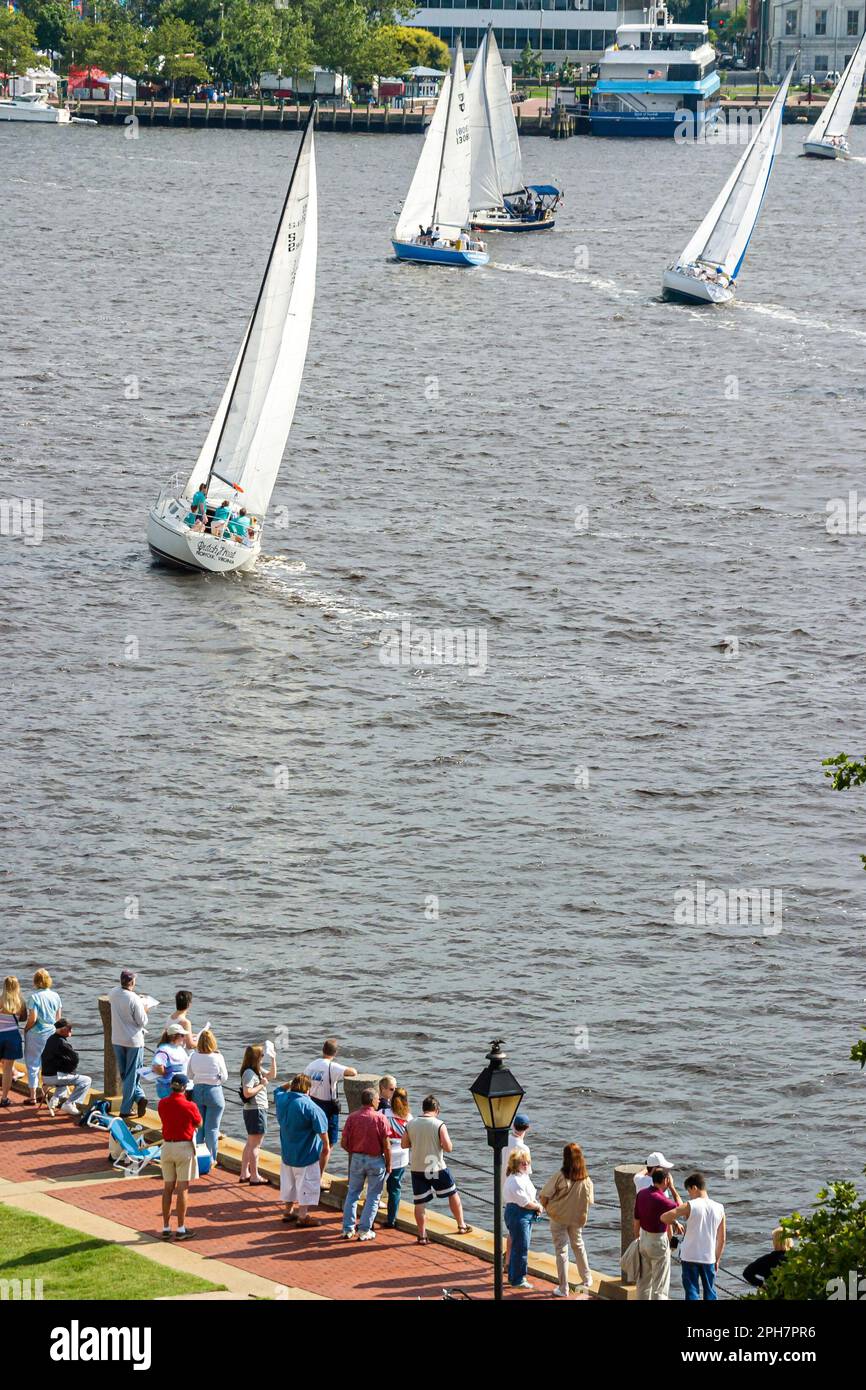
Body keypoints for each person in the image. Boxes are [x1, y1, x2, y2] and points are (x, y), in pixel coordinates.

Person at [402, 1095, 472, 1245]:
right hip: (436, 1166)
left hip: (417, 1168)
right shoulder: (439, 1124)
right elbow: (448, 1147)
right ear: (437, 1110)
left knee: (420, 1202)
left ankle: (421, 1235)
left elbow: (404, 1144)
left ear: (423, 1108)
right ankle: (461, 1225)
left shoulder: (411, 1123)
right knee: (452, 1193)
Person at [539, 1143, 595, 1298]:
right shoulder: (586, 1179)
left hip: (558, 1217)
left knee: (561, 1251)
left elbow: (545, 1195)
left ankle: (563, 1288)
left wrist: (544, 1206)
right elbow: (590, 1201)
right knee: (578, 1245)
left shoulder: (560, 1175)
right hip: (576, 1219)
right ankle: (587, 1278)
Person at [274, 1073, 330, 1227]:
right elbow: (324, 1138)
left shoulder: (281, 1099)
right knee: (306, 1186)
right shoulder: (311, 1107)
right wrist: (325, 1152)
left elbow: (277, 1089)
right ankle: (303, 1216)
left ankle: (288, 1211)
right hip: (306, 1154)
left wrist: (289, 1084)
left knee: (288, 1184)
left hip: (287, 1153)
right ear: (308, 1089)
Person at [660, 1171, 726, 1300]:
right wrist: (717, 1259)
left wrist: (674, 1222)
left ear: (694, 1187)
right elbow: (722, 1239)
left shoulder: (690, 1205)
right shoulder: (720, 1208)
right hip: (708, 1257)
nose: (690, 1196)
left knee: (692, 1291)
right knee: (710, 1291)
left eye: (689, 1192)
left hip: (689, 1255)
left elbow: (664, 1217)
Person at [340, 1086, 390, 1241]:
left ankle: (347, 1229)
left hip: (356, 1158)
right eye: (377, 1099)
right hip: (375, 1160)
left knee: (353, 1193)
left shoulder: (352, 1117)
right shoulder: (380, 1118)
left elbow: (343, 1142)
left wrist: (352, 1152)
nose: (379, 1101)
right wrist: (389, 1164)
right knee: (374, 1196)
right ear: (372, 1101)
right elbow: (386, 1145)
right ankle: (364, 1230)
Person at [157, 1074, 202, 1240]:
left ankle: (166, 1227)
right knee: (182, 1188)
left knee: (167, 1188)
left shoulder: (162, 1103)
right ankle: (181, 1228)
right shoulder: (190, 1105)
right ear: (184, 1088)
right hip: (184, 1147)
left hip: (167, 1147)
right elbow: (199, 1123)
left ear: (171, 1086)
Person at [304, 1039, 358, 1164]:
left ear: (323, 1050)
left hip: (312, 1103)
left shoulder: (311, 1065)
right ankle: (319, 1175)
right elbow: (352, 1072)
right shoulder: (332, 1067)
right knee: (328, 1144)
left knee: (312, 1139)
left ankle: (310, 1169)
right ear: (336, 1053)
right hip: (327, 1108)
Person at [633, 1166, 682, 1300]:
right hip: (658, 1241)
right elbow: (681, 1207)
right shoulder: (662, 1201)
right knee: (659, 1286)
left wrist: (637, 1239)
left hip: (643, 1239)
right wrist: (672, 1188)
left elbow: (636, 1220)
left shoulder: (641, 1194)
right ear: (666, 1180)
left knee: (643, 1283)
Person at [108, 969, 150, 1120]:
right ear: (132, 982)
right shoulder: (134, 999)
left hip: (117, 1039)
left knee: (125, 1074)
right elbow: (142, 1021)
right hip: (133, 1040)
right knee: (133, 1075)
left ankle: (139, 1097)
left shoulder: (113, 992)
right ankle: (126, 1109)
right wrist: (145, 1009)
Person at [503, 1149, 542, 1290]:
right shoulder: (515, 1181)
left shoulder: (522, 1176)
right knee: (521, 1247)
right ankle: (518, 1279)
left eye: (527, 1162)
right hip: (518, 1214)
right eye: (522, 1163)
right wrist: (538, 1206)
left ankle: (513, 1276)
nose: (526, 1165)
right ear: (516, 1164)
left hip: (522, 1213)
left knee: (518, 1245)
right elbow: (525, 1202)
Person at [187, 1028, 228, 1164]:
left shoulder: (193, 1056)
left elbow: (189, 1075)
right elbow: (224, 1078)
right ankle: (211, 1158)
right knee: (212, 1128)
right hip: (214, 1092)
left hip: (198, 1091)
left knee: (199, 1126)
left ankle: (198, 1156)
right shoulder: (217, 1057)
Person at [23, 970, 62, 1104]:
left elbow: (32, 1018)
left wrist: (26, 1029)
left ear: (36, 981)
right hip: (51, 1032)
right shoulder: (56, 996)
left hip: (37, 1034)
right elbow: (58, 1018)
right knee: (48, 1063)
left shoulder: (34, 997)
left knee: (33, 1063)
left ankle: (33, 1096)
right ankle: (45, 1094)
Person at [240, 1043, 276, 1184]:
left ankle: (244, 1173)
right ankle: (254, 1176)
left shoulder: (256, 1070)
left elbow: (272, 1075)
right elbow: (247, 1092)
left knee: (250, 1143)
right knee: (256, 1145)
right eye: (261, 1055)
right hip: (256, 1110)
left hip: (254, 1109)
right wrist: (262, 1085)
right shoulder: (249, 1073)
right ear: (256, 1057)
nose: (263, 1057)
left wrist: (273, 1058)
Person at [40, 1020, 92, 1117]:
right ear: (63, 1030)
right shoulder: (62, 1042)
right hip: (55, 1077)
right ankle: (69, 1103)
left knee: (64, 1082)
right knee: (86, 1080)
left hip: (45, 1076)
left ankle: (54, 1099)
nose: (71, 1032)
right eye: (69, 1030)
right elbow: (75, 1058)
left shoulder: (50, 1039)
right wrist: (72, 1070)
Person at [384, 1087, 412, 1227]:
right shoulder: (409, 1119)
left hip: (382, 1154)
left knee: (375, 1188)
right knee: (394, 1189)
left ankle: (368, 1221)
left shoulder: (383, 1113)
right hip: (400, 1157)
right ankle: (391, 1220)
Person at [0, 977, 26, 1107]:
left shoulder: (0, 999)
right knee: (8, 1070)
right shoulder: (20, 1001)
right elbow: (23, 1018)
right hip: (12, 1036)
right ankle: (4, 1098)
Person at [151, 1025, 193, 1100]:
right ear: (174, 1036)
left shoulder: (178, 1047)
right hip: (168, 1087)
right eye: (182, 1035)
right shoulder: (164, 1049)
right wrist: (164, 1073)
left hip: (181, 1086)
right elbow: (158, 1065)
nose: (185, 1038)